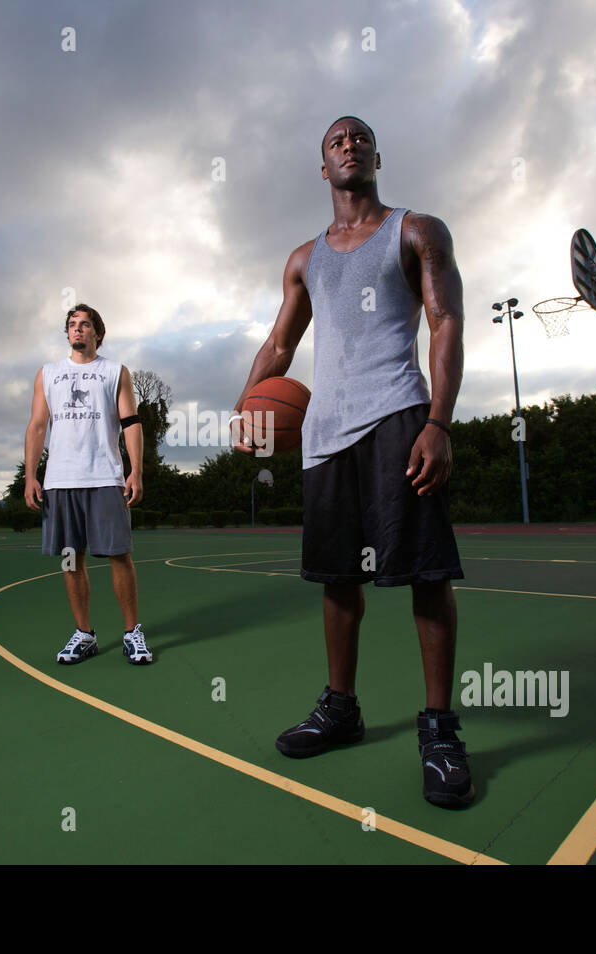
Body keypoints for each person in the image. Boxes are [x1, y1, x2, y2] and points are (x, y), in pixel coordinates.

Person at [232, 117, 472, 807]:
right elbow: (280, 345)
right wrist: (247, 401)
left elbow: (446, 320)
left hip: (399, 416)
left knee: (426, 573)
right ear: (323, 165)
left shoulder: (417, 230)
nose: (348, 145)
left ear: (375, 154)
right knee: (339, 580)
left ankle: (439, 728)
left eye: (359, 137)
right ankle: (342, 708)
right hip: (324, 431)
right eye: (335, 141)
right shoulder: (304, 258)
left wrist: (438, 421)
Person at [25, 304, 153, 665]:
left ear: (98, 331)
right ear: (67, 333)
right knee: (70, 560)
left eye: (84, 325)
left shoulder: (115, 372)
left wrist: (136, 471)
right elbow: (37, 426)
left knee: (118, 555)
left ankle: (132, 633)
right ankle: (84, 634)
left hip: (104, 476)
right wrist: (31, 476)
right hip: (61, 479)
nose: (77, 330)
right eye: (71, 325)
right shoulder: (47, 374)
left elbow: (131, 423)